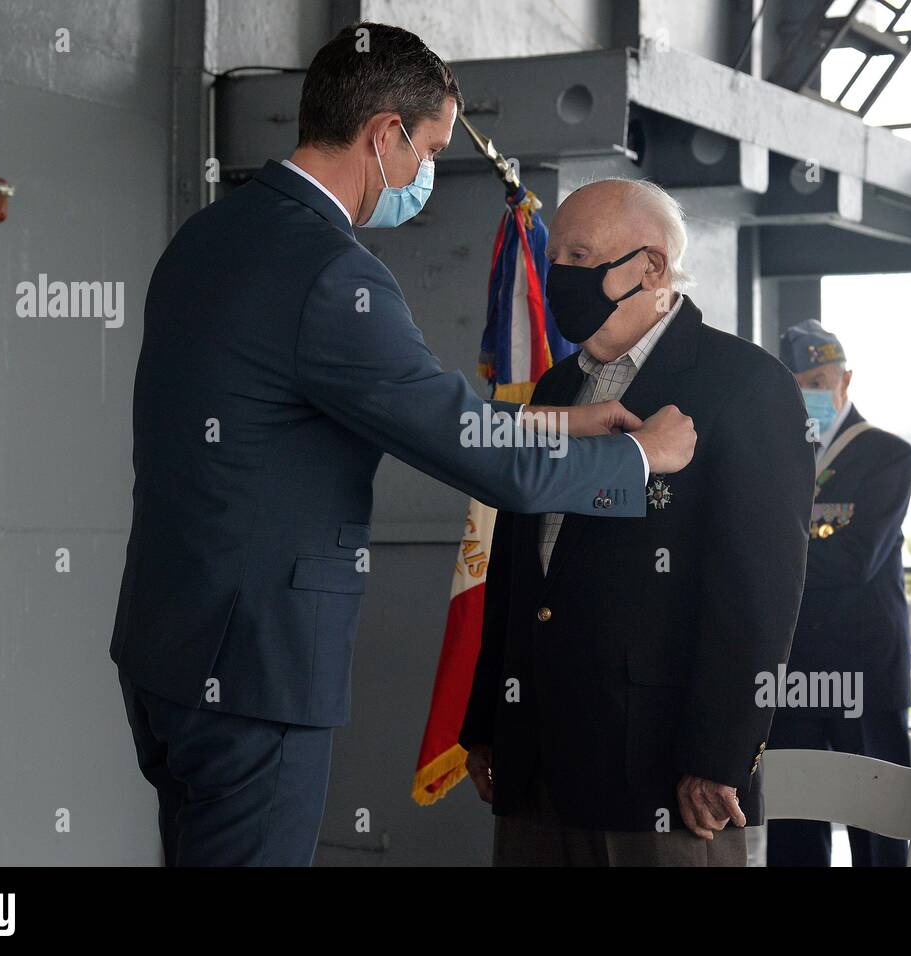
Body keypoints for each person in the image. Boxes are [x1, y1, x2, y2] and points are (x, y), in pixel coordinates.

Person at [109, 23, 697, 867]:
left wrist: (563, 419)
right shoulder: (330, 273)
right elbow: (472, 450)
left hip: (168, 647)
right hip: (258, 669)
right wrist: (641, 458)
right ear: (384, 134)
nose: (424, 173)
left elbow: (372, 410)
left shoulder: (205, 239)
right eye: (426, 148)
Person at [459, 179, 814, 866]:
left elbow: (760, 593)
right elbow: (513, 573)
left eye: (580, 254)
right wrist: (487, 722)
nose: (559, 273)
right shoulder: (556, 390)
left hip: (662, 772)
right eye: (555, 256)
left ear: (652, 269)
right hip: (535, 759)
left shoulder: (744, 384)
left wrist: (718, 755)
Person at [766, 319, 911, 867]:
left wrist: (768, 559)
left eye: (822, 379)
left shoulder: (886, 455)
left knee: (877, 832)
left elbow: (856, 562)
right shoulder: (773, 458)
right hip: (792, 671)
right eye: (800, 382)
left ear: (846, 380)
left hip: (864, 671)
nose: (813, 393)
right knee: (792, 830)